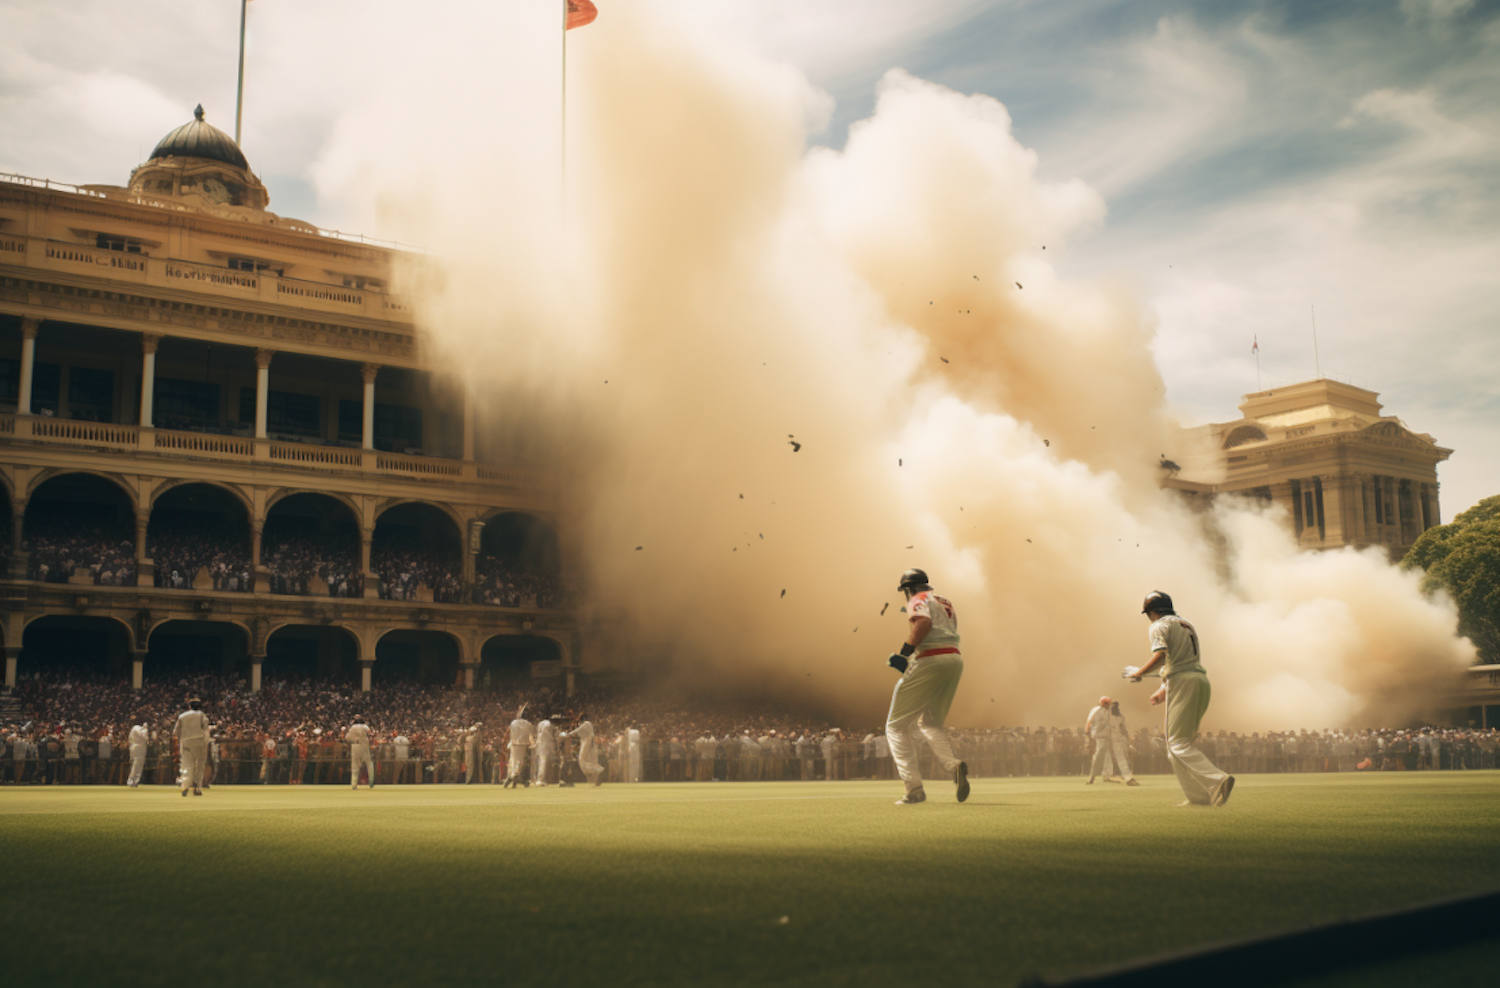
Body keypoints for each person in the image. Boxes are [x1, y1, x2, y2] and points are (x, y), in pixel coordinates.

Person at [1126, 591, 1234, 807]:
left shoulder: (1158, 626)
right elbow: (1179, 661)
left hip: (1182, 683)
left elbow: (1161, 655)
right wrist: (1163, 689)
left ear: (1152, 611)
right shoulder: (1186, 624)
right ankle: (1199, 797)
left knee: (1177, 744)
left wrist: (1138, 673)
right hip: (1199, 681)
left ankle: (1217, 780)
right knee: (1177, 747)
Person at [884, 568, 969, 805]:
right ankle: (953, 765)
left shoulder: (917, 599)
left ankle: (914, 790)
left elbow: (922, 624)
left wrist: (903, 654)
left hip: (931, 658)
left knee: (895, 726)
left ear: (909, 589)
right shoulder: (944, 601)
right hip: (955, 659)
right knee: (930, 723)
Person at [173, 697, 210, 797]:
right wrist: (206, 742)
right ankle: (197, 788)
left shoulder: (182, 716)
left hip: (186, 742)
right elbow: (205, 729)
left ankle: (185, 786)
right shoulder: (202, 715)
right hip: (199, 741)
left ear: (190, 706)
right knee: (199, 766)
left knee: (186, 765)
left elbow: (175, 732)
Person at [564, 714, 604, 786]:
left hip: (588, 743)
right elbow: (578, 734)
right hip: (587, 744)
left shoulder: (587, 723)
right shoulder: (584, 726)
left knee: (581, 761)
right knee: (590, 762)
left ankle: (598, 769)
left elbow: (577, 730)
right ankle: (594, 781)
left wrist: (569, 734)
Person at [1085, 696, 1114, 785]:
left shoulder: (1108, 712)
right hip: (1100, 737)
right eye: (1106, 703)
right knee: (1098, 757)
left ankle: (1106, 776)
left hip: (1108, 737)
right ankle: (1092, 777)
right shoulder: (1097, 710)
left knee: (1108, 757)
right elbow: (1089, 722)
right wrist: (1089, 735)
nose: (1107, 705)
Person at [1109, 700, 1138, 786]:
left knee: (1124, 757)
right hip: (1110, 740)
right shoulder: (1107, 717)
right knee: (1115, 758)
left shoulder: (1120, 717)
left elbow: (1123, 729)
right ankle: (1126, 777)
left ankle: (1127, 776)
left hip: (1119, 740)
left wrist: (1127, 738)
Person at [504, 708, 533, 788]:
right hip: (522, 745)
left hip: (513, 744)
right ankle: (513, 777)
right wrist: (532, 744)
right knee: (519, 763)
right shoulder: (528, 724)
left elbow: (508, 733)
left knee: (512, 761)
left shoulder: (513, 722)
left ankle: (511, 777)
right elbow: (531, 736)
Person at [345, 715, 375, 790]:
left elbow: (347, 738)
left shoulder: (352, 727)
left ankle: (354, 785)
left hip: (355, 746)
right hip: (364, 745)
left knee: (355, 766)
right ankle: (371, 783)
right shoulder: (364, 726)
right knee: (369, 764)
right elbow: (370, 733)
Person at [127, 719, 150, 788]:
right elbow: (143, 737)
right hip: (137, 748)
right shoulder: (136, 728)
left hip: (139, 748)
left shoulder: (138, 729)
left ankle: (135, 781)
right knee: (136, 765)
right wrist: (145, 730)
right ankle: (131, 780)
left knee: (139, 765)